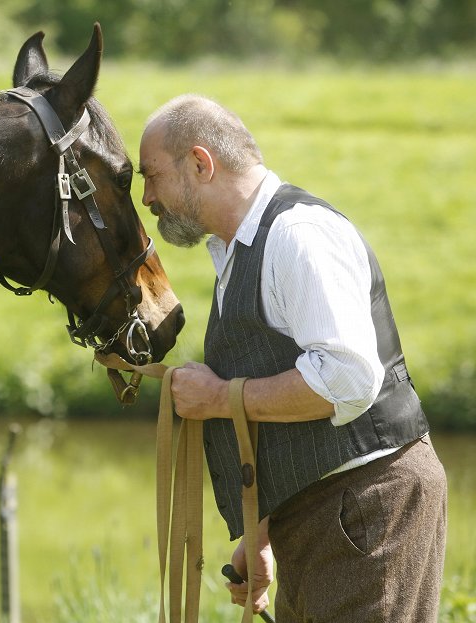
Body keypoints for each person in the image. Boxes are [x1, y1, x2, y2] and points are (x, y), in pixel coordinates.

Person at [137, 94, 447, 622]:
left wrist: (217, 397)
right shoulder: (239, 250)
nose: (147, 197)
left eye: (152, 176)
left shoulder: (297, 237)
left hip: (366, 508)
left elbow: (346, 379)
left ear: (199, 163)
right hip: (324, 515)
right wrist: (259, 529)